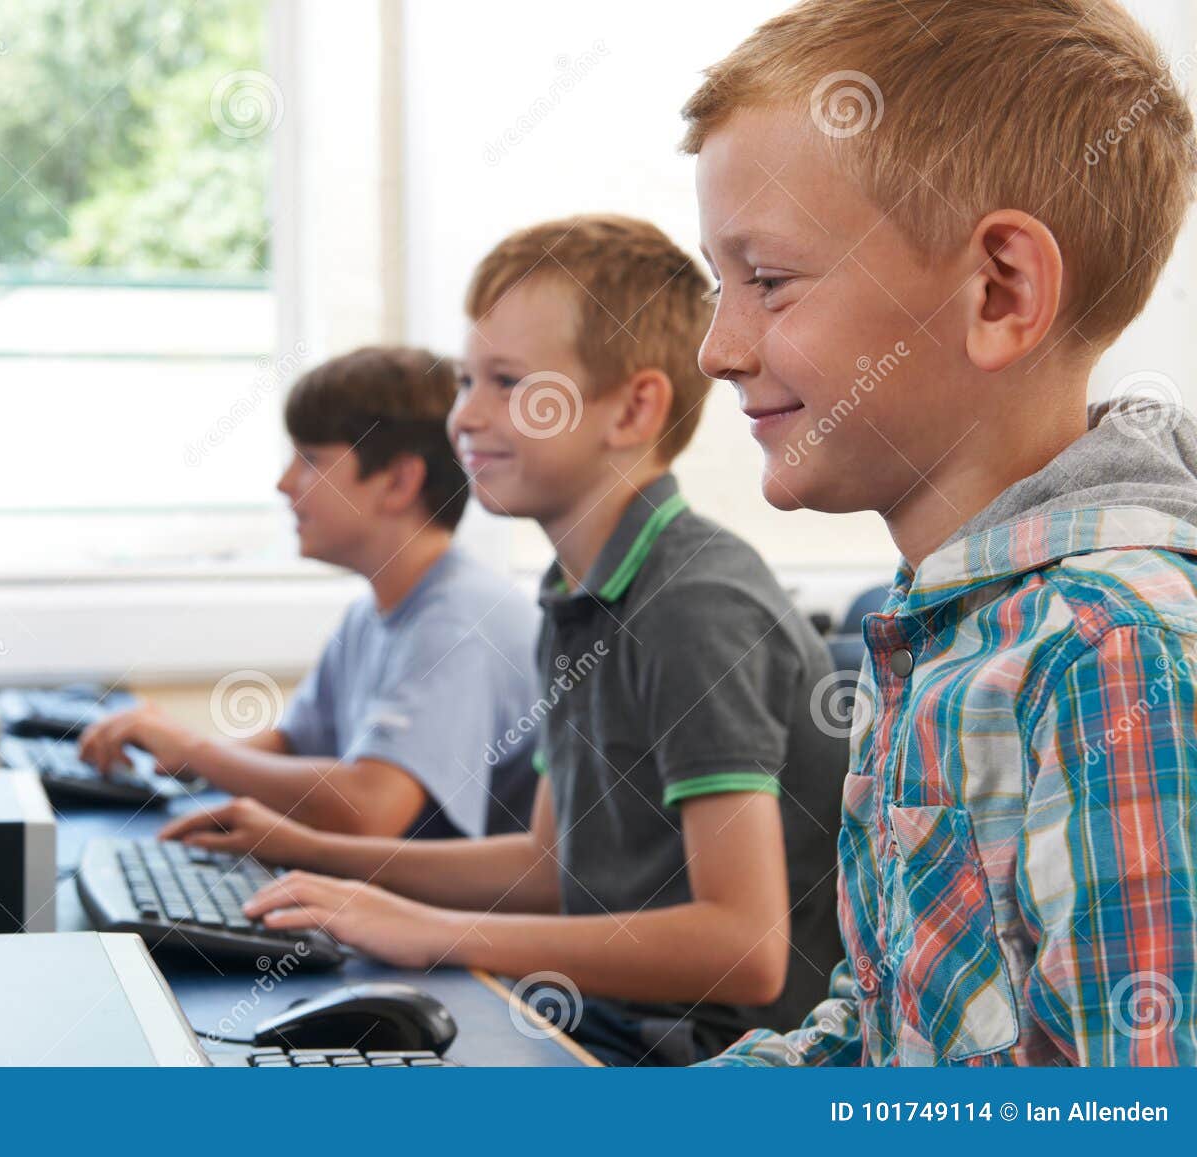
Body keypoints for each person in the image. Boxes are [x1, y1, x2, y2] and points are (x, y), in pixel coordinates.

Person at [163, 216, 847, 1065]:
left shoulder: (692, 604)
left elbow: (743, 948)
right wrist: (310, 851)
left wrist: (437, 932)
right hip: (608, 1015)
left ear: (634, 407)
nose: (464, 418)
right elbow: (547, 866)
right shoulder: (576, 592)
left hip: (705, 1055)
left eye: (509, 383)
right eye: (464, 380)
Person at [686, 0, 1197, 1064]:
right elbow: (880, 1029)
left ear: (999, 291)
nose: (717, 348)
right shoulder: (936, 620)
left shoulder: (1108, 654)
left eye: (767, 282)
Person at [80, 345, 539, 839]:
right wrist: (174, 760)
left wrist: (197, 751)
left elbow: (372, 809)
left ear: (399, 481)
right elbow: (293, 744)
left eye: (310, 459)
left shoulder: (458, 622)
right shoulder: (374, 611)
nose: (284, 483)